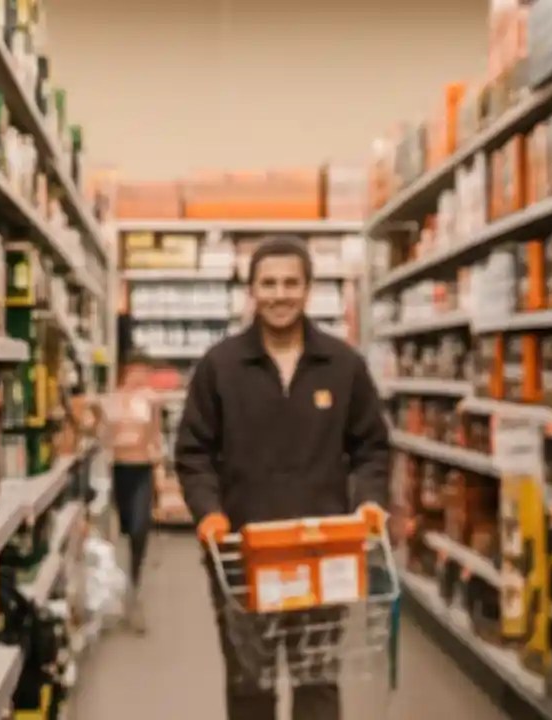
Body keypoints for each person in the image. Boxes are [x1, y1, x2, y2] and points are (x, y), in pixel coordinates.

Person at [174, 236, 390, 720]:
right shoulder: (221, 366)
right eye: (268, 283)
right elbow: (193, 453)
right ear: (251, 290)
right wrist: (209, 513)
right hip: (244, 554)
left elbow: (372, 447)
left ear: (309, 289)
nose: (279, 294)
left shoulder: (343, 365)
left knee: (317, 681)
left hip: (324, 550)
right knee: (250, 684)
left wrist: (370, 501)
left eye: (291, 282)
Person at [101, 353, 164, 632]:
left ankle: (134, 589)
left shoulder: (149, 400)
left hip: (142, 470)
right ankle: (112, 593)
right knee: (116, 532)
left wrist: (160, 480)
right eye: (136, 371)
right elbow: (102, 431)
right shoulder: (111, 400)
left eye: (145, 372)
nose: (140, 377)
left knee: (139, 529)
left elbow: (155, 436)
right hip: (116, 470)